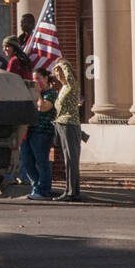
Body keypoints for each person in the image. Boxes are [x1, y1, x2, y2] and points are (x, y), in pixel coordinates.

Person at [21, 66, 57, 200]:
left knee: (42, 162)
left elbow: (42, 107)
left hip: (42, 132)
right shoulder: (33, 95)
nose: (36, 82)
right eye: (34, 80)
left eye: (39, 79)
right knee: (27, 161)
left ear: (46, 78)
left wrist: (37, 93)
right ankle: (36, 186)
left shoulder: (51, 94)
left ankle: (43, 190)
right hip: (29, 131)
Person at [51, 59, 82, 201]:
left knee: (71, 159)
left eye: (59, 71)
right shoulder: (63, 88)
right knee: (68, 159)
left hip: (69, 125)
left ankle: (71, 192)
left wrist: (62, 63)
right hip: (63, 125)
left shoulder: (71, 85)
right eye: (55, 72)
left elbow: (69, 76)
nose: (57, 74)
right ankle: (72, 191)